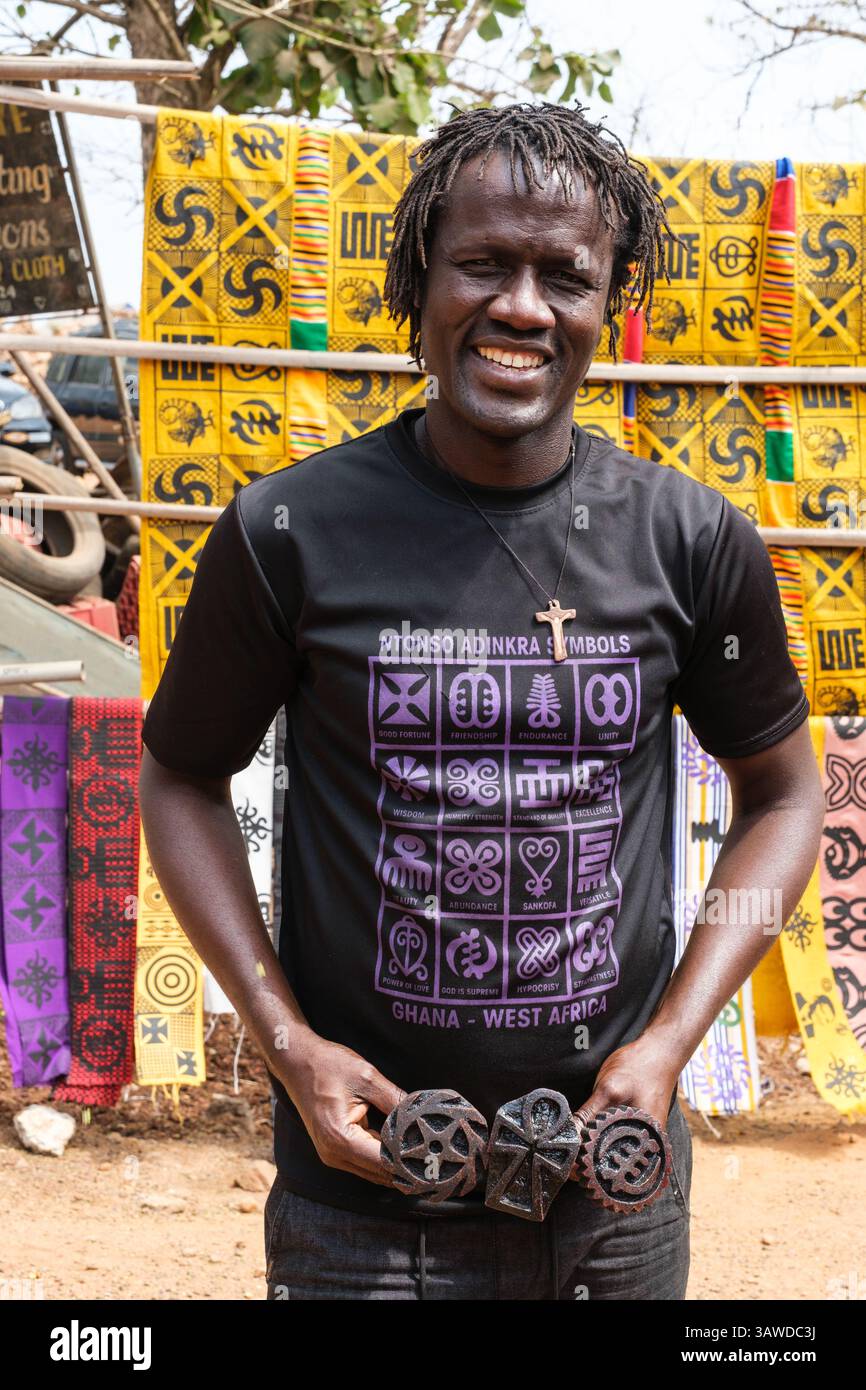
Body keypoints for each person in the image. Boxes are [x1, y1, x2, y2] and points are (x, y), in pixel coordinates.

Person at [139, 102, 824, 1300]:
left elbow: (780, 796)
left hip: (612, 1198)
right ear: (417, 286)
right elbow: (182, 776)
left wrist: (669, 1044)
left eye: (564, 274)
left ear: (606, 307)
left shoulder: (688, 539)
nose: (520, 305)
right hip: (361, 1205)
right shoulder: (290, 533)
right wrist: (287, 1044)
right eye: (482, 263)